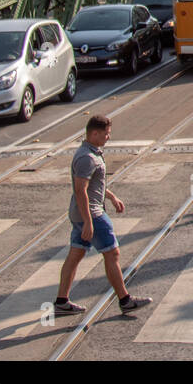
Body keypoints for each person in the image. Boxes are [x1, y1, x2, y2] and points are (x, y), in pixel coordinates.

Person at [54, 115, 150, 316]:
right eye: (106, 134)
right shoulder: (86, 158)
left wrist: (112, 196)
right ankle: (125, 300)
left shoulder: (91, 153)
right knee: (112, 253)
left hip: (85, 213)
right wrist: (89, 222)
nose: (109, 137)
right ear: (94, 133)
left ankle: (61, 301)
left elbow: (93, 185)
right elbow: (81, 190)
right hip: (93, 214)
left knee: (76, 254)